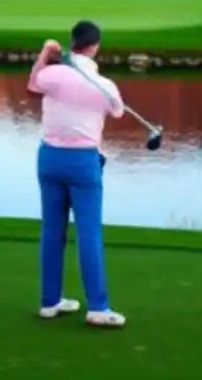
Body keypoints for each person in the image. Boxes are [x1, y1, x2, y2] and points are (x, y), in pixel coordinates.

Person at [27, 19, 126, 328]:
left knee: (52, 230)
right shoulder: (105, 85)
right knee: (88, 233)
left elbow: (33, 85)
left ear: (72, 43)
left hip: (49, 158)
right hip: (83, 162)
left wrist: (46, 52)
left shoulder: (52, 74)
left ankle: (49, 302)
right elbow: (118, 111)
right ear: (94, 47)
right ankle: (97, 307)